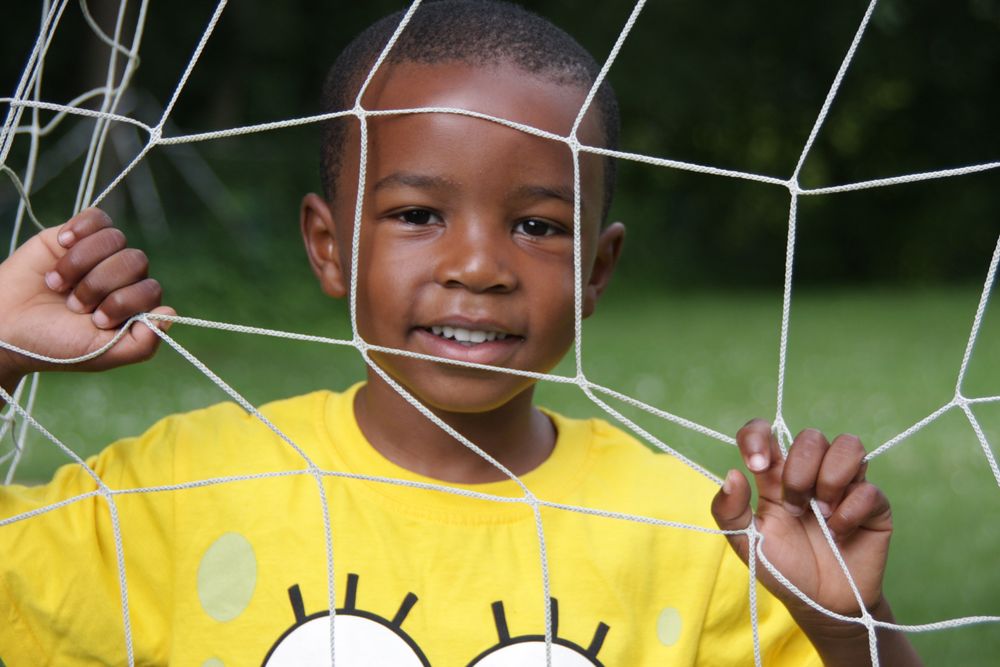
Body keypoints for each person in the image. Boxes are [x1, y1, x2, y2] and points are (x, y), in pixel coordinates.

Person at [0, 1, 922, 665]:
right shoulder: (183, 490)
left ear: (597, 269)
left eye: (537, 226)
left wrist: (850, 627)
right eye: (416, 215)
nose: (479, 265)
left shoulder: (696, 534)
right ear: (328, 245)